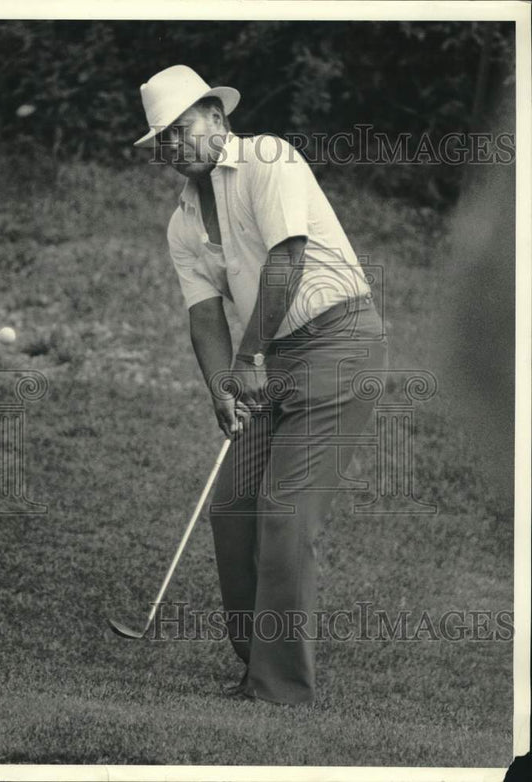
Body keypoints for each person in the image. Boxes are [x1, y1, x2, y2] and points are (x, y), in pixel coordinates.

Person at [134, 65, 388, 704]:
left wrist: (248, 359)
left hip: (338, 344)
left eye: (182, 130)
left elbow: (287, 258)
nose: (174, 147)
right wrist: (224, 383)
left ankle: (279, 689)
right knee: (233, 508)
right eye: (162, 140)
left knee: (285, 512)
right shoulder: (182, 223)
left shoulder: (270, 158)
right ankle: (258, 667)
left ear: (217, 119)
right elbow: (203, 312)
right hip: (268, 358)